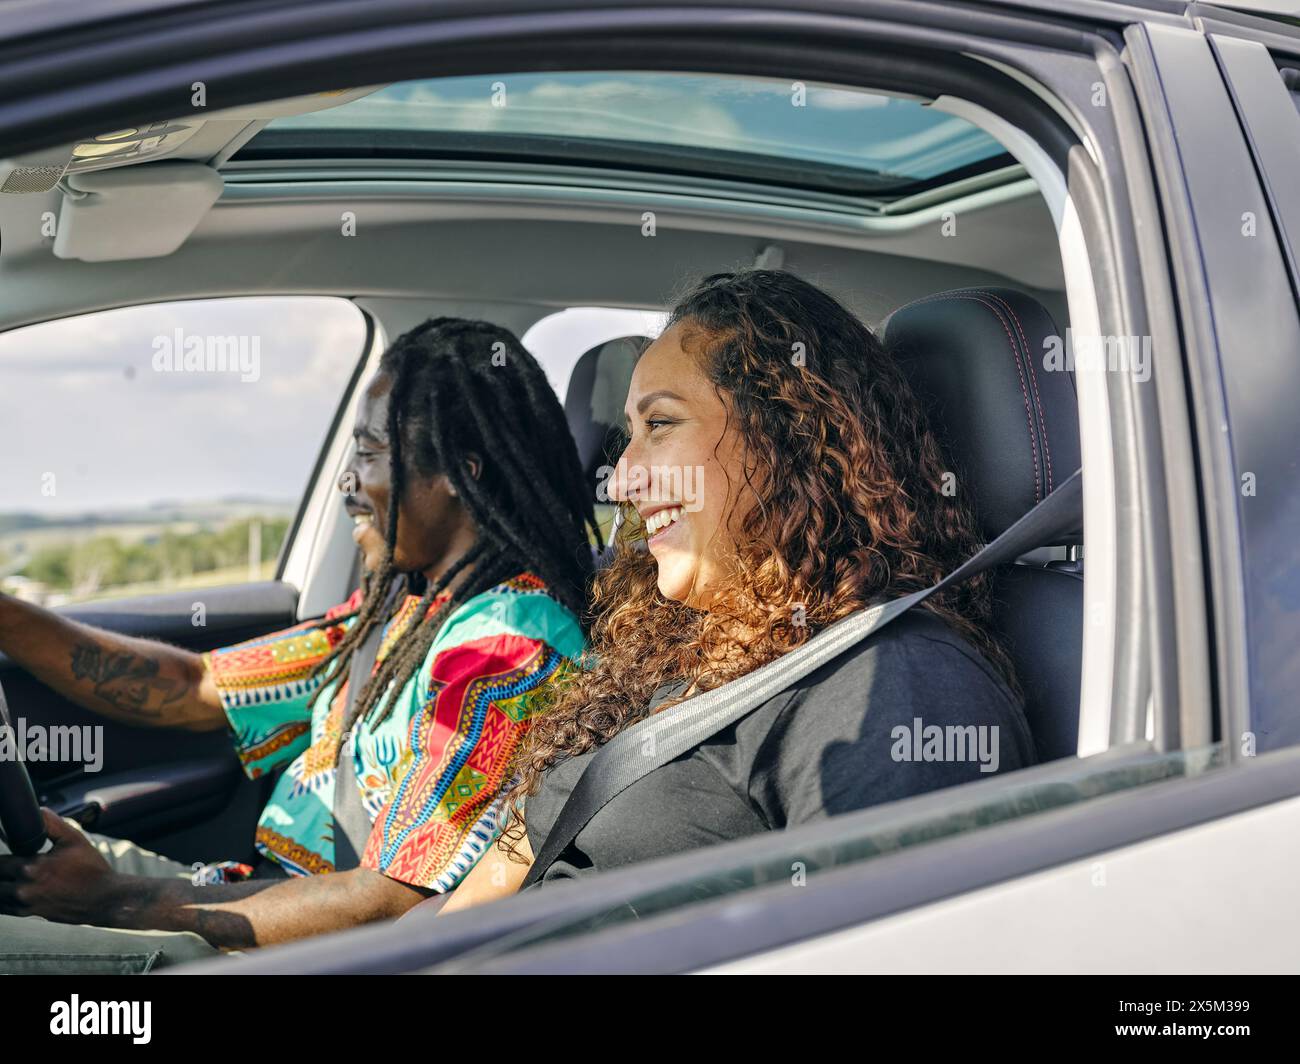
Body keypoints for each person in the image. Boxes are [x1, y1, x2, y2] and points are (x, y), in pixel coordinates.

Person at [0, 318, 599, 971]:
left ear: (461, 473)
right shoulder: (400, 611)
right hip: (254, 901)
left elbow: (392, 902)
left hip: (313, 956)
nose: (349, 484)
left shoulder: (507, 651)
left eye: (369, 453)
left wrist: (116, 902)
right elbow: (191, 687)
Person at [441, 269, 1037, 911]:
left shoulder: (898, 687)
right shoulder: (681, 652)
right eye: (629, 434)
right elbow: (500, 879)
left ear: (791, 437)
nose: (622, 479)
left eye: (661, 424)